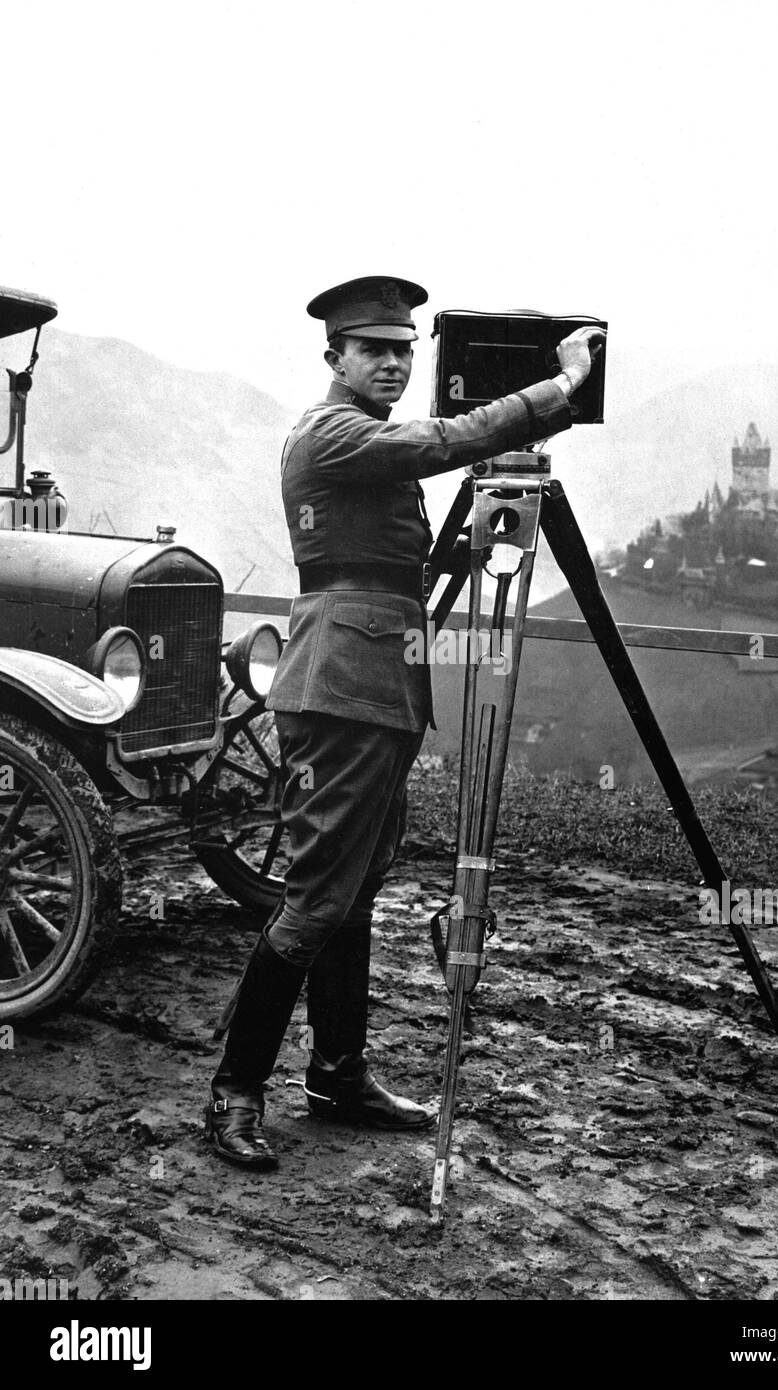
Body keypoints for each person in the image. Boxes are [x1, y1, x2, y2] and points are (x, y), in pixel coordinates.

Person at [204, 276, 604, 1169]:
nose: (391, 362)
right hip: (342, 683)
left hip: (378, 681)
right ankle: (234, 1092)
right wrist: (559, 389)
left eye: (402, 350)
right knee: (314, 898)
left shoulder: (367, 441)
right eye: (373, 350)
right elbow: (446, 439)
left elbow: (393, 564)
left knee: (352, 889)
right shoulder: (333, 432)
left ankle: (337, 1077)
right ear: (334, 358)